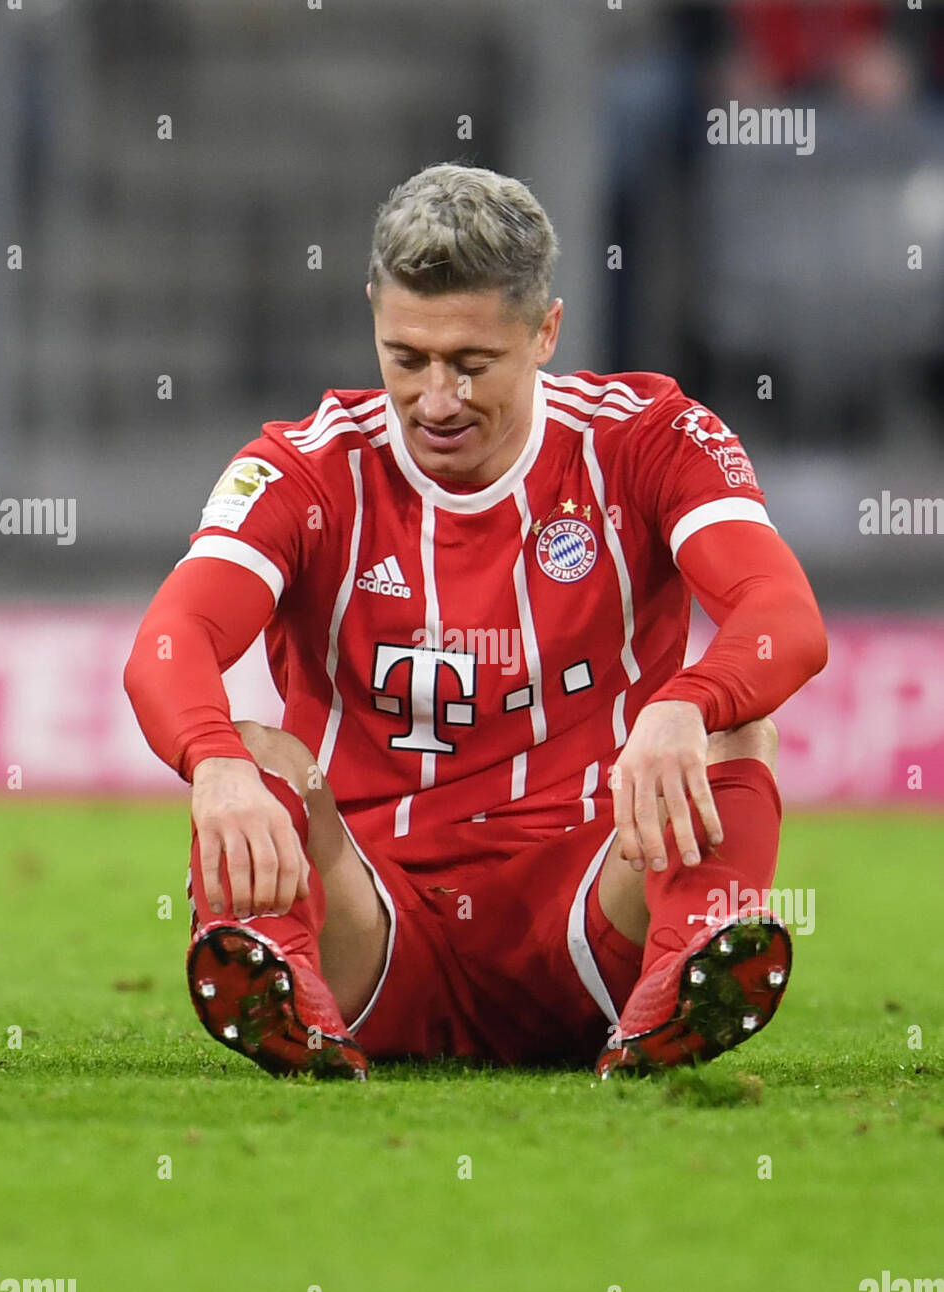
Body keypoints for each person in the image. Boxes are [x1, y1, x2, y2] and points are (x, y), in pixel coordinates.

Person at [124, 163, 827, 1081]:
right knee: (255, 751)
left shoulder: (647, 436)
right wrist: (211, 764)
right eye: (405, 358)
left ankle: (681, 979)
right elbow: (168, 643)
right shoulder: (304, 471)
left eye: (471, 363)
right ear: (374, 310)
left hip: (590, 923)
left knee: (739, 724)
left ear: (545, 332)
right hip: (371, 931)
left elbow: (785, 620)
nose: (437, 400)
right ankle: (282, 986)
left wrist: (686, 701)